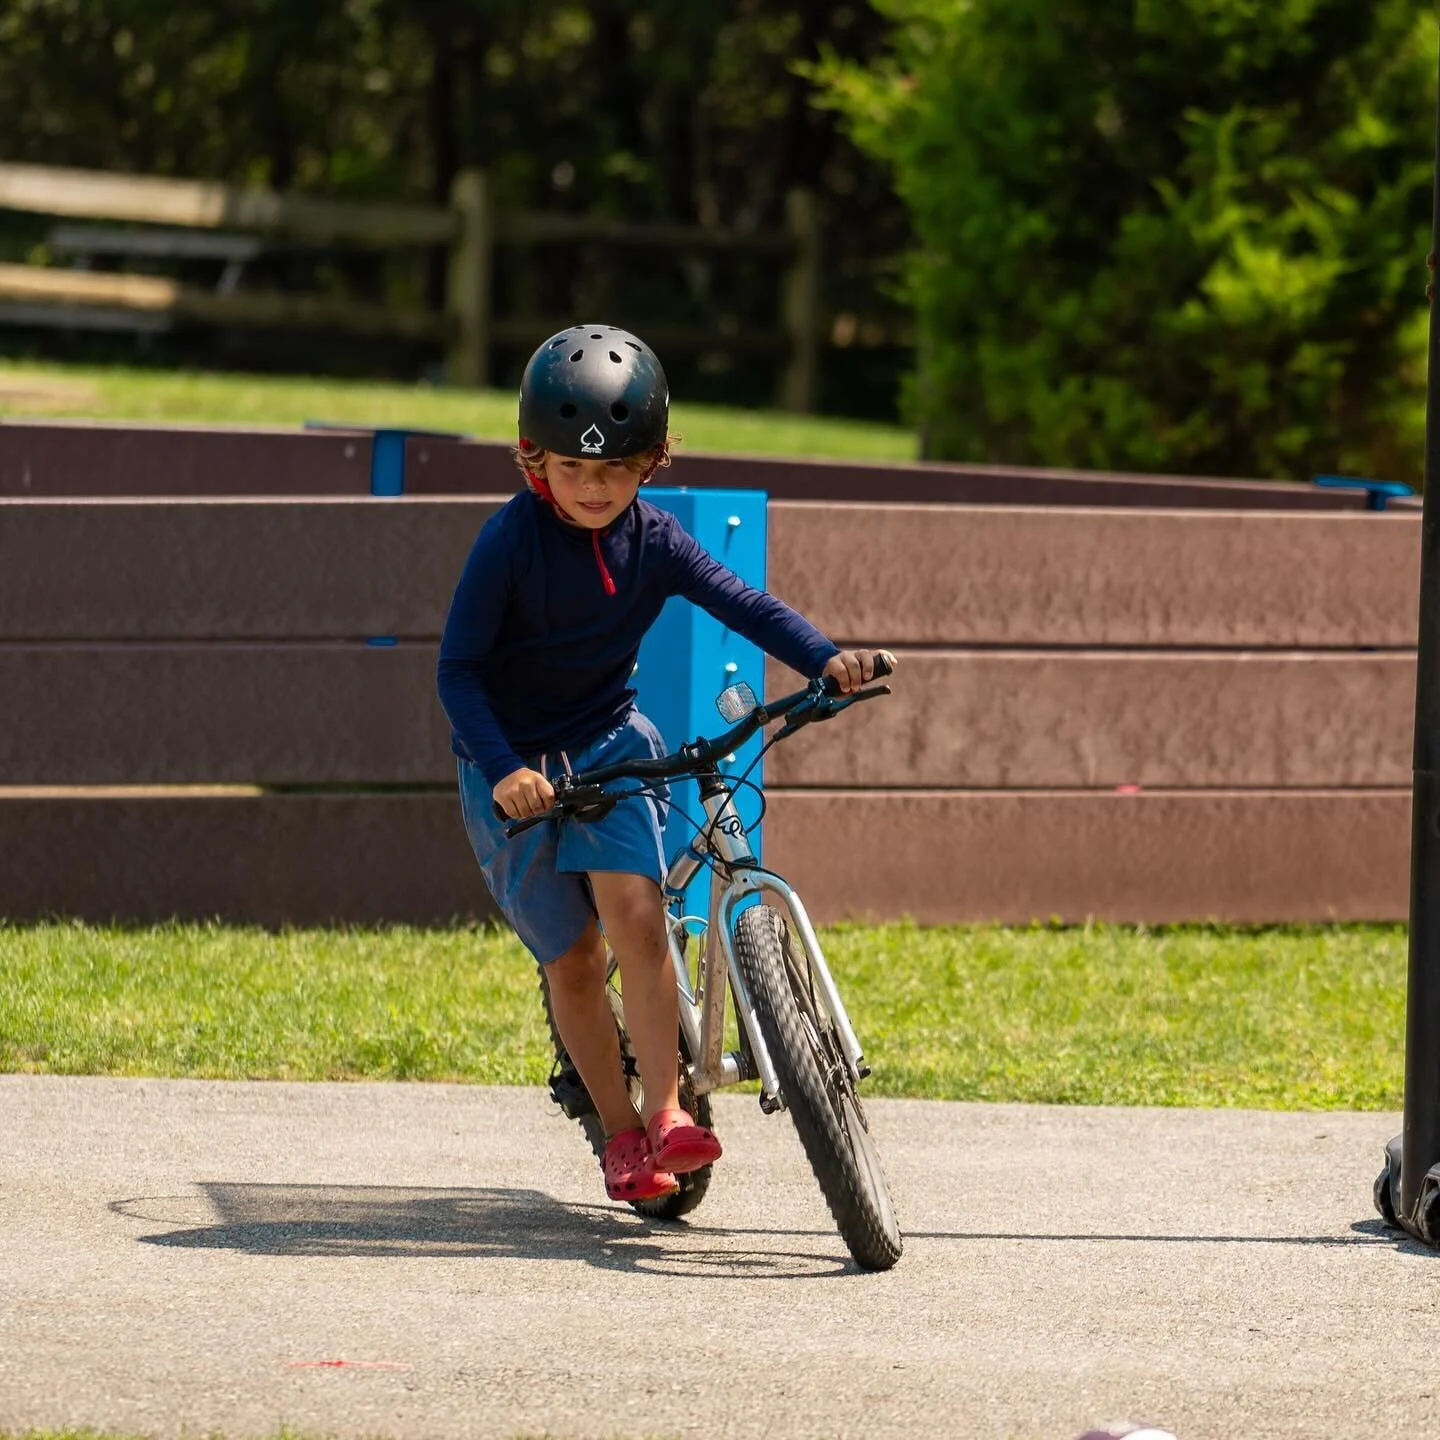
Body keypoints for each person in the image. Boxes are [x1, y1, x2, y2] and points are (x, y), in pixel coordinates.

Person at [437, 323, 889, 1204]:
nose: (593, 486)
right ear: (536, 462)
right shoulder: (509, 544)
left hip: (608, 741)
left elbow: (742, 600)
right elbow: (457, 670)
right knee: (573, 958)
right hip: (513, 766)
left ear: (651, 462)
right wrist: (500, 768)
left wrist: (823, 656)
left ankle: (669, 1109)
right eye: (572, 467)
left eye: (614, 467)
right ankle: (619, 1137)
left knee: (639, 918)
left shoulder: (655, 542)